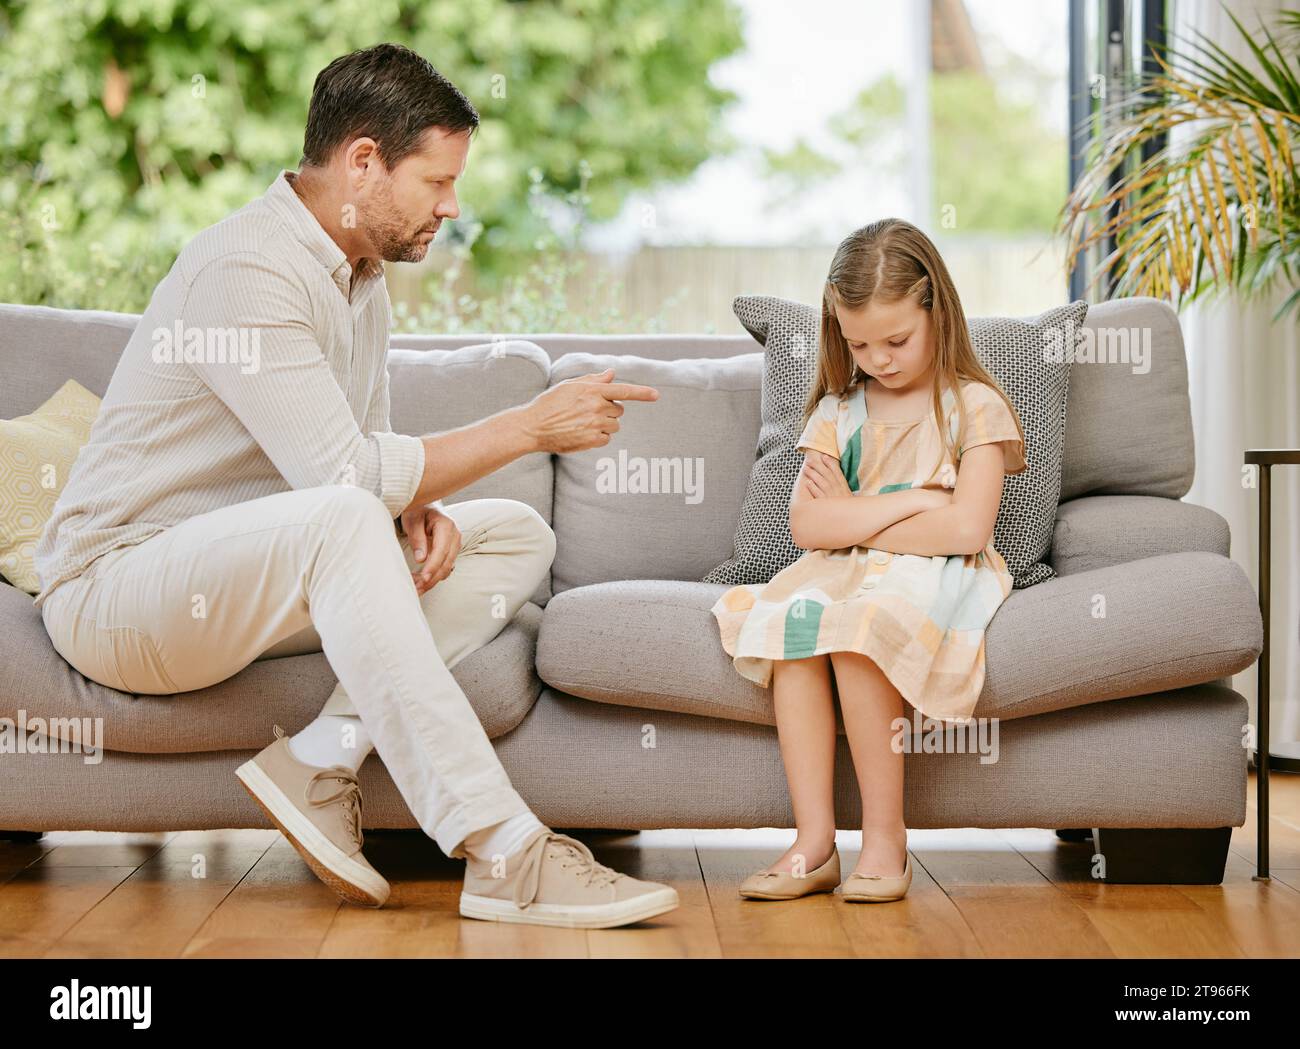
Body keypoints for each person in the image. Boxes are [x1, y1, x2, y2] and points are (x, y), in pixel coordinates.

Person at [33, 43, 679, 930]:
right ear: (363, 160)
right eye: (437, 181)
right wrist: (530, 425)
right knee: (345, 515)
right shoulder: (245, 269)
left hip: (244, 579)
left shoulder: (362, 277)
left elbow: (360, 452)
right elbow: (343, 481)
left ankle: (320, 763)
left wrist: (419, 509)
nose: (453, 206)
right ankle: (505, 850)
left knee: (513, 532)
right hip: (120, 590)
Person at [710, 218, 1027, 904]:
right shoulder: (837, 409)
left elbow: (967, 529)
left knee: (859, 628)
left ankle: (885, 838)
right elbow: (807, 524)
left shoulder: (975, 406)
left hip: (935, 574)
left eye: (897, 340)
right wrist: (916, 498)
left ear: (934, 309)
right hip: (842, 567)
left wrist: (857, 515)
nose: (879, 358)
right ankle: (813, 841)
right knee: (798, 624)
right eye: (859, 343)